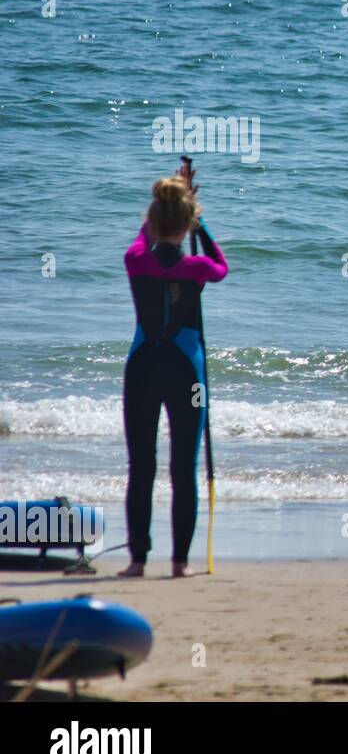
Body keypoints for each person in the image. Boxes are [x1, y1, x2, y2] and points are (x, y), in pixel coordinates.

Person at [120, 164, 228, 578]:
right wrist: (201, 224)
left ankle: (136, 560)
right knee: (183, 469)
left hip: (143, 367)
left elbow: (143, 237)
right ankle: (179, 563)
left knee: (141, 467)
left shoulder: (134, 261)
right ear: (186, 225)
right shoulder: (197, 269)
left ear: (152, 219)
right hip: (187, 374)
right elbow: (221, 266)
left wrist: (172, 208)